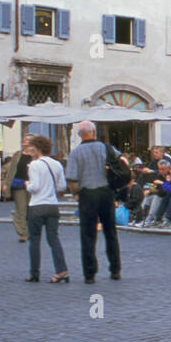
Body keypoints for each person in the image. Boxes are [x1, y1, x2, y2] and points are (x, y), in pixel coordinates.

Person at [63, 121, 123, 283]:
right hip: (106, 192)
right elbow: (122, 162)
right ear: (94, 132)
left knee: (88, 234)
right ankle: (115, 269)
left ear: (79, 135)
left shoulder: (75, 153)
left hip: (87, 194)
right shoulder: (107, 148)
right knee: (110, 232)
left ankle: (90, 273)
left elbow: (72, 179)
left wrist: (76, 194)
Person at [22, 134, 69, 283]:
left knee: (34, 240)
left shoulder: (34, 165)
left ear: (36, 148)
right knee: (53, 238)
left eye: (31, 147)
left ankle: (34, 273)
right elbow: (62, 186)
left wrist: (27, 185)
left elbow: (34, 187)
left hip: (37, 205)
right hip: (52, 205)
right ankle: (62, 270)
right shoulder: (57, 164)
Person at [1, 145, 30, 243]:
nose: (25, 140)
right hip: (19, 185)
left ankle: (29, 230)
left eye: (28, 139)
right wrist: (6, 183)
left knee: (31, 208)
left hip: (33, 185)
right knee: (21, 209)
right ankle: (22, 232)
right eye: (25, 139)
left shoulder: (36, 154)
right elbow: (10, 169)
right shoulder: (17, 155)